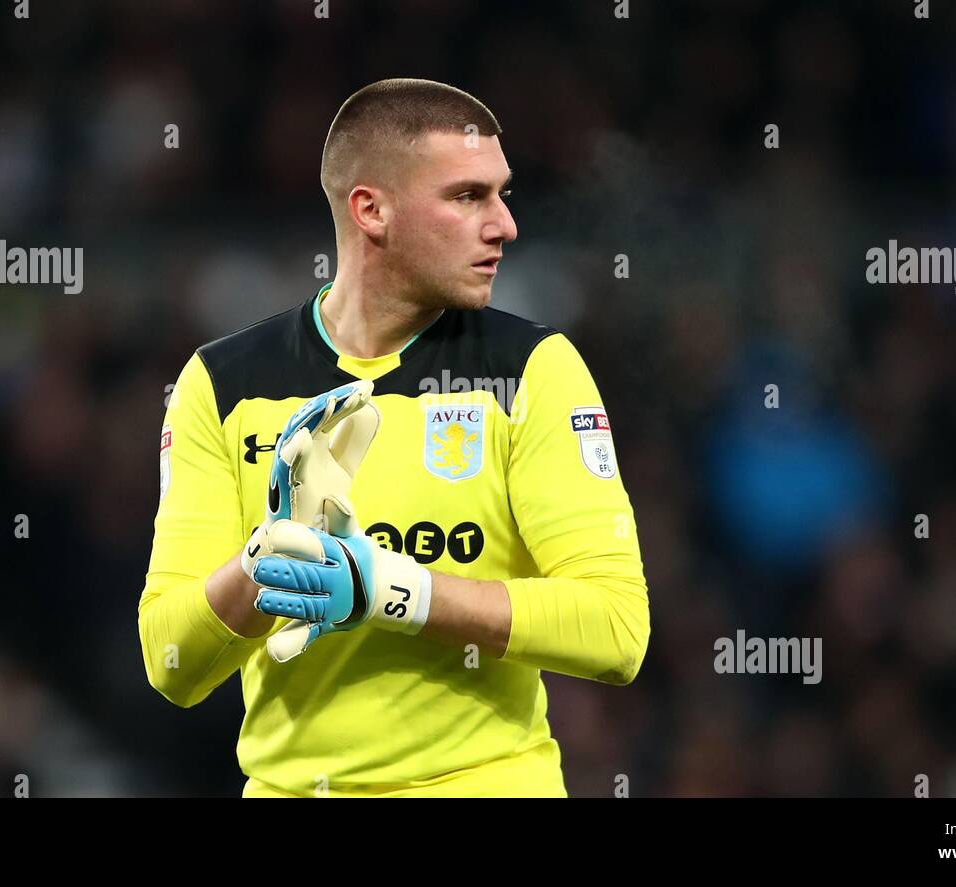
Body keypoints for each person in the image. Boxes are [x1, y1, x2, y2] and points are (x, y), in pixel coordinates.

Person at [138, 78, 649, 797]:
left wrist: (388, 588)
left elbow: (617, 630)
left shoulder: (531, 369)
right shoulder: (223, 384)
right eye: (468, 196)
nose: (504, 224)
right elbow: (171, 663)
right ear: (371, 210)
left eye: (502, 194)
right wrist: (267, 560)